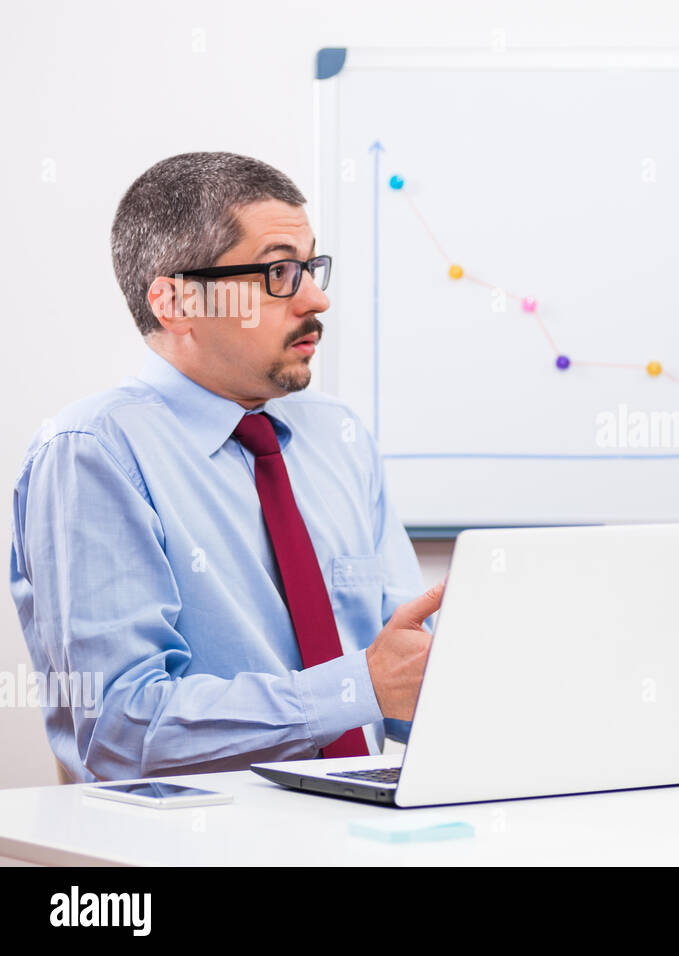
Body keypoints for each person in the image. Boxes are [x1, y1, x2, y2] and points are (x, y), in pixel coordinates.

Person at [9, 152, 441, 782]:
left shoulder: (338, 435)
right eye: (279, 272)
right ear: (176, 301)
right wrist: (357, 689)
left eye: (312, 267)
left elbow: (404, 674)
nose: (317, 298)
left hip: (362, 822)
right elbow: (122, 730)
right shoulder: (92, 452)